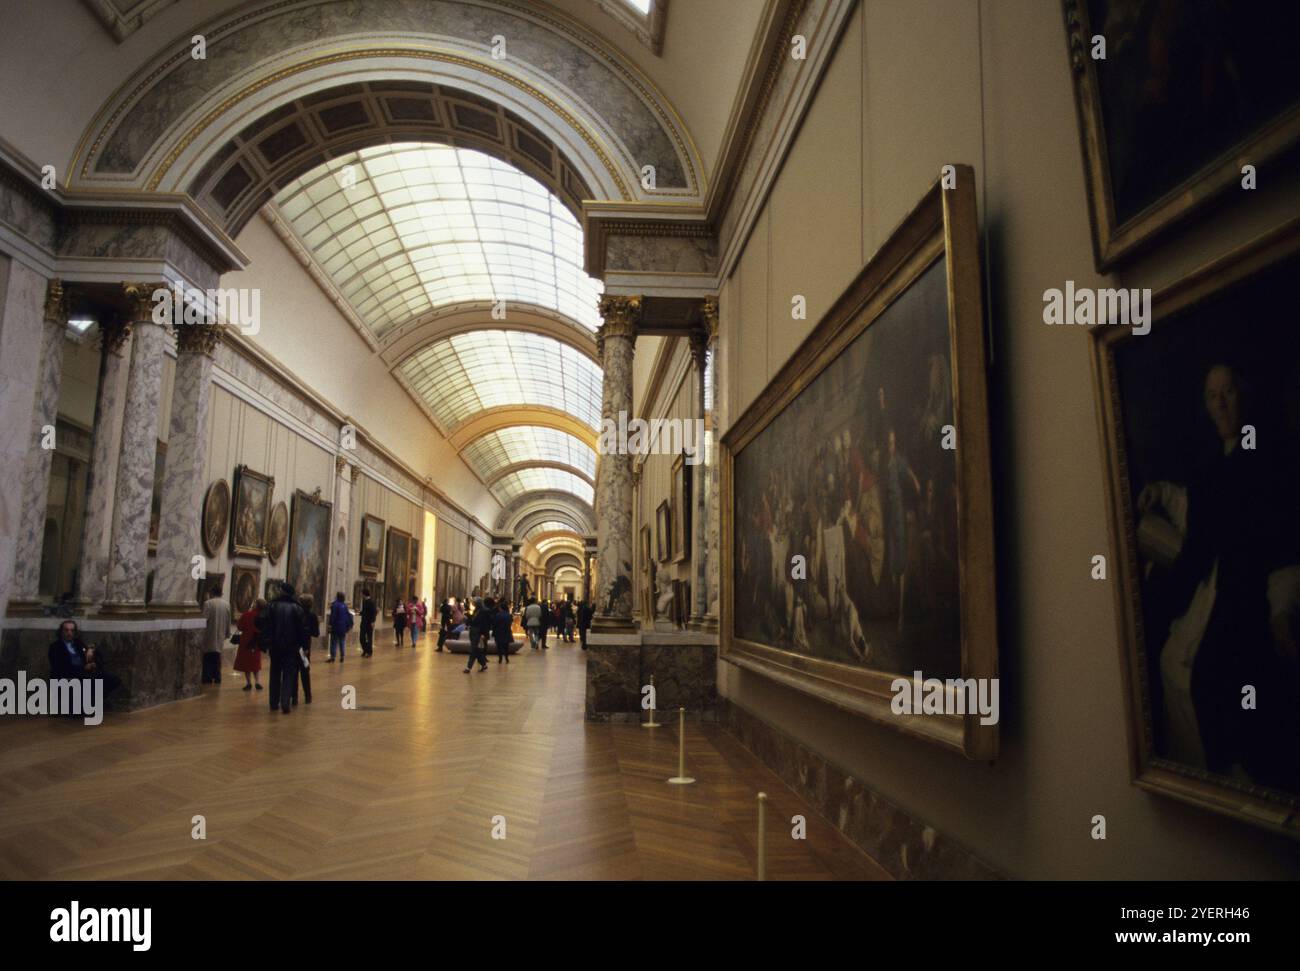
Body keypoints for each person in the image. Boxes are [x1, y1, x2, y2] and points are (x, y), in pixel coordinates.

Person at [257, 582, 306, 715]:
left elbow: (262, 623)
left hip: (275, 646)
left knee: (275, 673)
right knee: (289, 674)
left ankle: (273, 703)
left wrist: (266, 642)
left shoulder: (272, 606)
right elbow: (301, 630)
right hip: (291, 647)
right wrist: (302, 645)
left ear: (282, 592)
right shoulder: (297, 608)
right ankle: (285, 701)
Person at [47, 619, 121, 703]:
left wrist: (92, 656)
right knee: (92, 681)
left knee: (112, 679)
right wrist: (83, 668)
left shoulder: (78, 643)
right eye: (66, 630)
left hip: (85, 673)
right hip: (68, 675)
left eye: (72, 630)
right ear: (61, 632)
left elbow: (89, 655)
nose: (69, 633)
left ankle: (93, 699)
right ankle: (85, 703)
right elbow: (60, 667)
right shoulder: (55, 647)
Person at [200, 579, 232, 684]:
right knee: (217, 655)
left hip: (209, 633)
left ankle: (207, 677)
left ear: (212, 593)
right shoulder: (226, 604)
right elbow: (228, 620)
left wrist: (200, 633)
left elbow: (204, 619)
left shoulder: (208, 603)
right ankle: (217, 676)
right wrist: (227, 632)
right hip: (220, 633)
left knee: (208, 656)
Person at [233, 598, 265, 691]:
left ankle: (248, 683)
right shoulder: (263, 616)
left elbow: (240, 626)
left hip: (246, 640)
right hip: (256, 641)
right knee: (255, 662)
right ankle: (257, 682)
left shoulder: (247, 614)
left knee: (247, 663)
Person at [293, 594, 318, 706]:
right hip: (305, 649)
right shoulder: (312, 616)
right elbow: (315, 633)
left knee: (294, 672)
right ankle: (308, 696)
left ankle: (294, 698)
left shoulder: (295, 614)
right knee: (305, 672)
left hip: (294, 646)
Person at [464, 597, 493, 673]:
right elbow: (474, 620)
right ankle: (483, 664)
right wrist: (469, 617)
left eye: (474, 603)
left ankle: (468, 667)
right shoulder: (476, 610)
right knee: (476, 650)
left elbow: (486, 624)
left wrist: (484, 634)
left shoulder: (485, 611)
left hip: (479, 632)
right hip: (473, 631)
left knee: (473, 649)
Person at [327, 591, 352, 663]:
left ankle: (333, 657)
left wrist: (330, 624)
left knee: (334, 642)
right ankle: (342, 657)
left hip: (336, 626)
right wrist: (348, 626)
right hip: (343, 627)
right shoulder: (344, 605)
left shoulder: (335, 605)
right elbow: (348, 616)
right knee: (342, 641)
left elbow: (333, 616)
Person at [492, 599, 514, 664]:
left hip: (499, 632)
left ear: (501, 608)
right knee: (506, 646)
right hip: (507, 631)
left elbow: (495, 623)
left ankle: (500, 658)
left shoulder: (498, 615)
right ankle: (506, 658)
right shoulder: (509, 615)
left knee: (499, 646)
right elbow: (511, 622)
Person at [359, 588, 377, 657]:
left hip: (369, 623)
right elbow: (364, 612)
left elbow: (374, 612)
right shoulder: (365, 601)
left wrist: (373, 621)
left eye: (362, 594)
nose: (361, 595)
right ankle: (365, 650)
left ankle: (369, 652)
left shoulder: (371, 602)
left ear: (364, 594)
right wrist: (359, 613)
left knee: (369, 638)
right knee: (362, 638)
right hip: (363, 622)